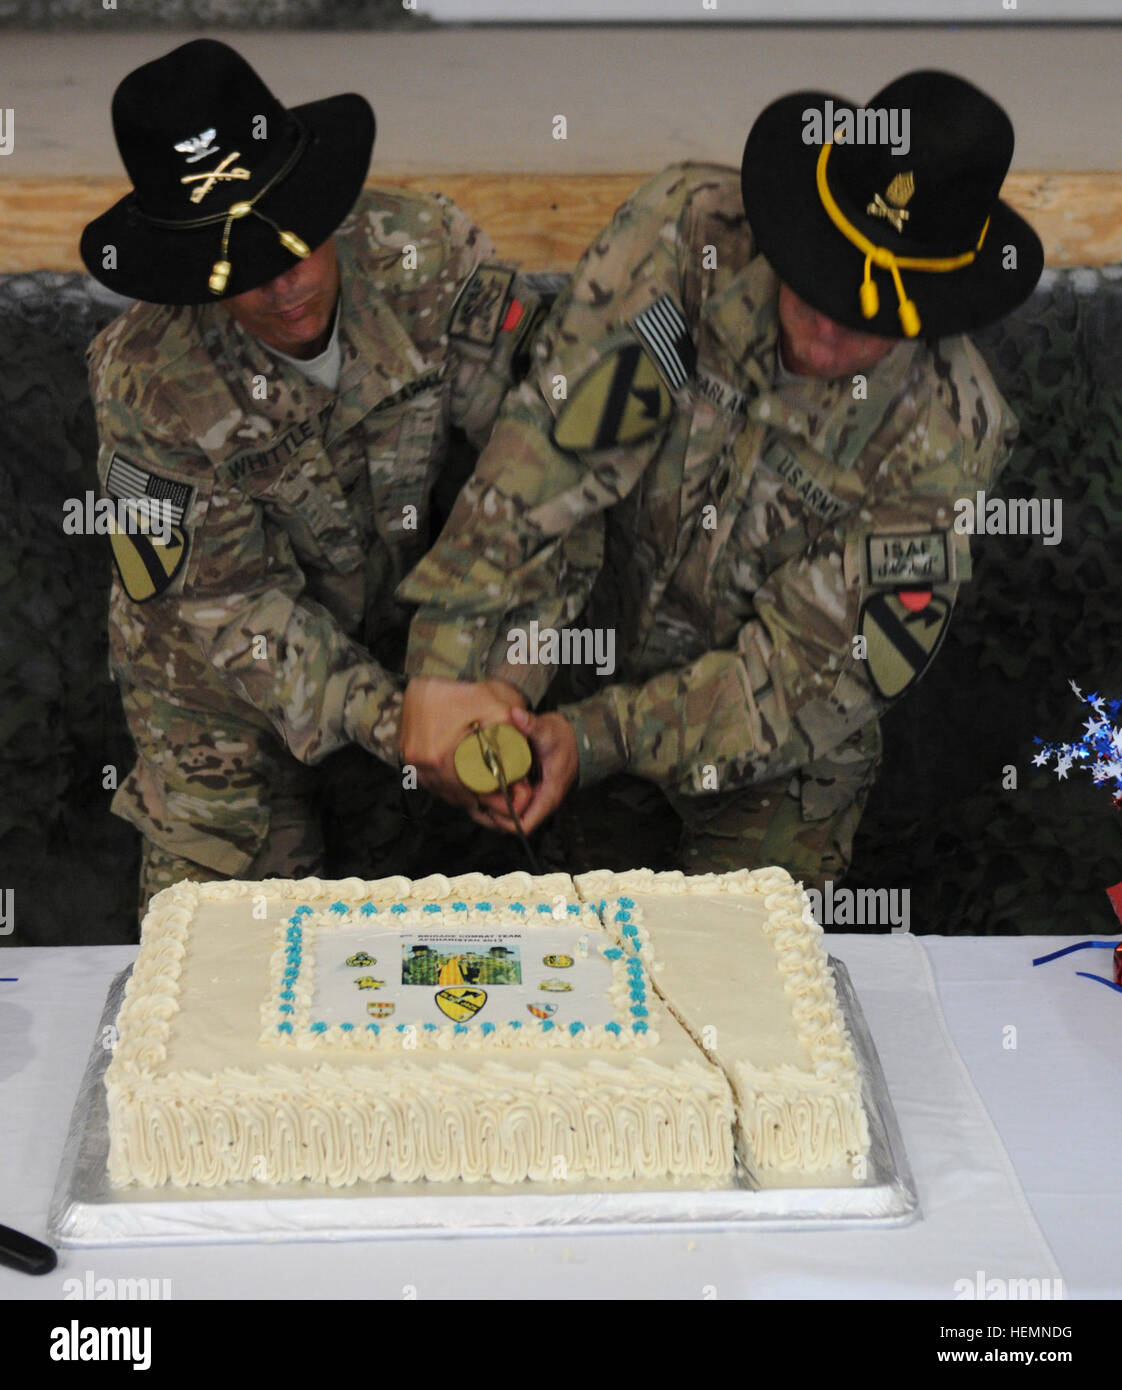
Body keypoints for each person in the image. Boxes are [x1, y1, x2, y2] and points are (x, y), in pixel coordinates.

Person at [396, 70, 1044, 892]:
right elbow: (551, 466)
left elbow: (796, 676)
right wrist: (462, 671)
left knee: (740, 998)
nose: (827, 335)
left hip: (777, 761)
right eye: (818, 281)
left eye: (870, 318)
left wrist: (592, 739)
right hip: (585, 658)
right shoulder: (686, 236)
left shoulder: (947, 435)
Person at [80, 40, 551, 919]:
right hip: (222, 700)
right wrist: (403, 719)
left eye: (290, 234)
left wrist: (499, 687)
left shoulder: (435, 259)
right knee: (230, 979)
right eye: (238, 262)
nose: (281, 280)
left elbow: (539, 473)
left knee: (428, 953)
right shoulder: (146, 378)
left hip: (414, 637)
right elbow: (233, 609)